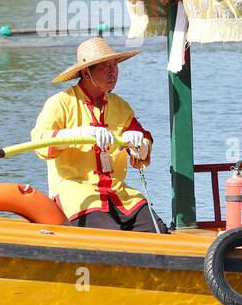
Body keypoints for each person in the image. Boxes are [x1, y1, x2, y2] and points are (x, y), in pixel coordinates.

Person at [31, 36, 163, 231]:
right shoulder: (60, 103)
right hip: (79, 196)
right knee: (110, 236)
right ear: (86, 72)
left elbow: (142, 144)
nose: (113, 72)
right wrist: (80, 133)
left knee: (158, 232)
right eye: (105, 67)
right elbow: (40, 144)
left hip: (119, 195)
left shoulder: (120, 106)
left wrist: (140, 146)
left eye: (115, 65)